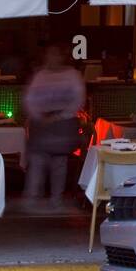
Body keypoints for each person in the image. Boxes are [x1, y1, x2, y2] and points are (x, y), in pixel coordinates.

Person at [22, 45, 86, 204]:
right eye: (50, 55)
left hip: (62, 126)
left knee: (59, 161)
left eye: (56, 55)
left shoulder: (72, 75)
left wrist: (60, 115)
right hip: (42, 125)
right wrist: (40, 116)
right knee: (37, 161)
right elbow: (30, 100)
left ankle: (56, 199)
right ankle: (32, 197)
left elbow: (77, 100)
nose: (52, 59)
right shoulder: (41, 75)